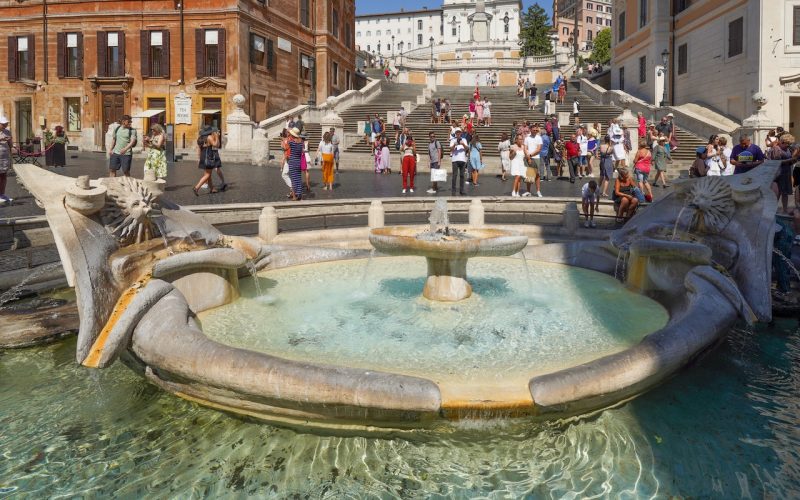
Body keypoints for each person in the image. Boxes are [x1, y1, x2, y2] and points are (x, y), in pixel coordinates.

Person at [768, 134, 799, 213]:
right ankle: (773, 211)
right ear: (782, 141)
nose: (788, 145)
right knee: (777, 193)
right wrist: (791, 159)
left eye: (789, 144)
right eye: (787, 143)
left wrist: (795, 159)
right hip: (778, 174)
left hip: (786, 172)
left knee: (785, 193)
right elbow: (776, 162)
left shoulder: (788, 149)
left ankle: (785, 210)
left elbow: (789, 161)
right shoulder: (776, 148)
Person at [194, 126, 221, 195]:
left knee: (208, 174)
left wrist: (199, 158)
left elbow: (199, 149)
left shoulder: (200, 138)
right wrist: (217, 137)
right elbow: (215, 145)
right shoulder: (209, 137)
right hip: (208, 156)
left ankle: (212, 189)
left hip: (203, 156)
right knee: (207, 175)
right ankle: (197, 187)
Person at [523, 123, 543, 197]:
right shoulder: (527, 138)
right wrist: (528, 158)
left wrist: (530, 155)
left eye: (536, 130)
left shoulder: (539, 138)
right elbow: (525, 148)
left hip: (536, 158)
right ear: (530, 129)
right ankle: (528, 191)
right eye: (534, 129)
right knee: (529, 175)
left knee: (537, 175)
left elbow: (538, 149)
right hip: (529, 157)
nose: (535, 131)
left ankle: (538, 191)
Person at [450, 128, 469, 196]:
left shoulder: (464, 140)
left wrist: (463, 144)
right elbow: (451, 149)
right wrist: (454, 144)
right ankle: (453, 190)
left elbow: (467, 148)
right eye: (457, 132)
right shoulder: (453, 140)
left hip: (463, 159)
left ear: (461, 133)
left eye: (459, 132)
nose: (458, 134)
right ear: (455, 133)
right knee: (454, 175)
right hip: (455, 160)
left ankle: (462, 190)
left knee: (462, 175)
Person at [0, 116, 11, 206]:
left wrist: (10, 142)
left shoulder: (7, 132)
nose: (5, 125)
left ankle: (2, 194)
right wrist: (1, 139)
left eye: (6, 124)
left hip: (5, 157)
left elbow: (10, 144)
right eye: (3, 124)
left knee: (4, 175)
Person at [280, 129, 294, 198]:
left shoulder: (290, 139)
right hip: (288, 158)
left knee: (285, 174)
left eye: (288, 132)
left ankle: (292, 189)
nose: (287, 133)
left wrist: (283, 142)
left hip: (289, 158)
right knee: (286, 174)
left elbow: (285, 148)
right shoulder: (289, 139)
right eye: (287, 132)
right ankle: (292, 190)